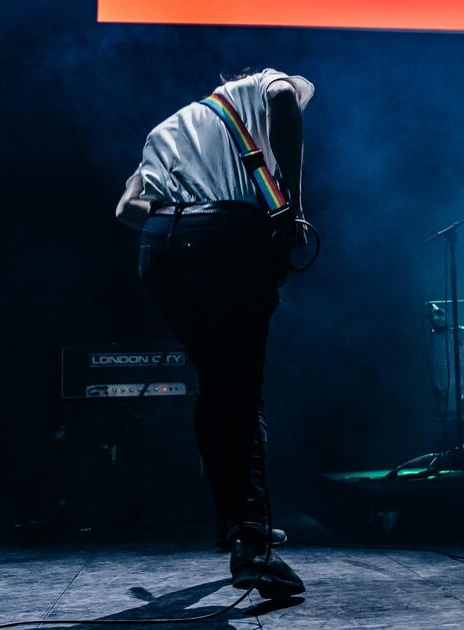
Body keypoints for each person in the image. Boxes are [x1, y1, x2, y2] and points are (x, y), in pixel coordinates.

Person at [115, 68, 314, 598]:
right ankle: (251, 544)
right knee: (240, 392)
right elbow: (285, 98)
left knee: (219, 384)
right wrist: (293, 207)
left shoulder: (167, 127)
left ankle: (235, 519)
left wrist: (180, 222)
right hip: (226, 244)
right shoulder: (265, 84)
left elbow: (126, 209)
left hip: (161, 251)